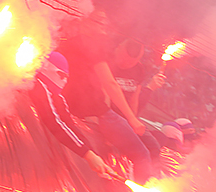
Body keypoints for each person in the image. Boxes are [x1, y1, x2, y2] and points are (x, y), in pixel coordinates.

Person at [57, 10, 157, 185]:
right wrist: (133, 120)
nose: (104, 27)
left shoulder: (66, 45)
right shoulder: (92, 46)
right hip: (97, 112)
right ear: (87, 22)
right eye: (100, 22)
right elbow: (109, 84)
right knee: (142, 154)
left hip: (69, 108)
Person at [29, 52, 114, 179]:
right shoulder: (37, 84)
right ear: (47, 68)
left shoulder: (57, 97)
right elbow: (54, 121)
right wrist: (88, 154)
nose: (64, 80)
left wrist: (94, 156)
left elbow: (69, 125)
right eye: (62, 75)